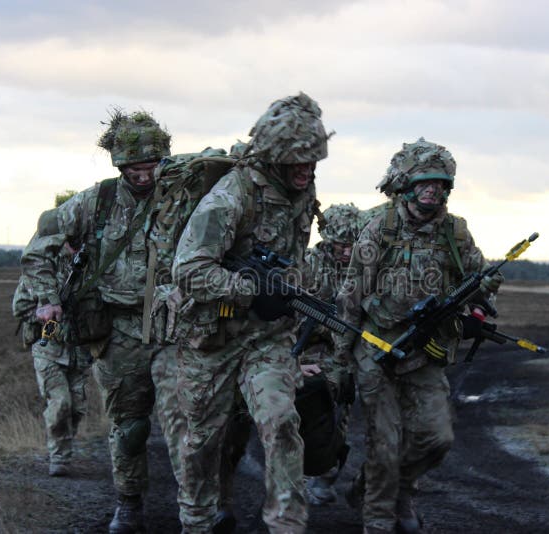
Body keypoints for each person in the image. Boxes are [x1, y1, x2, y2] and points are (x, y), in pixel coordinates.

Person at [171, 92, 330, 534]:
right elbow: (188, 270)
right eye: (297, 161)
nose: (307, 169)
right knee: (202, 441)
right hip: (212, 340)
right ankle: (197, 523)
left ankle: (286, 525)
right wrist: (249, 290)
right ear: (275, 157)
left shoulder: (302, 191)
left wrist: (289, 289)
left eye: (313, 160)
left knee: (281, 423)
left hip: (267, 338)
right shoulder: (230, 196)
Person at [20, 109, 182, 533]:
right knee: (129, 427)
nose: (143, 175)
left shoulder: (186, 196)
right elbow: (39, 247)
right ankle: (129, 503)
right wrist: (48, 300)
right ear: (119, 164)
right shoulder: (98, 201)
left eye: (150, 165)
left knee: (190, 421)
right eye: (134, 167)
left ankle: (200, 506)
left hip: (177, 330)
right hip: (120, 332)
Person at [334, 138, 501, 534]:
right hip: (376, 350)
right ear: (406, 185)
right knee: (385, 443)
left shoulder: (455, 234)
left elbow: (480, 280)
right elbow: (351, 295)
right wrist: (340, 361)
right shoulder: (380, 228)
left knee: (437, 437)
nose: (433, 189)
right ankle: (377, 520)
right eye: (425, 181)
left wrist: (479, 305)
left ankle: (398, 489)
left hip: (425, 353)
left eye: (441, 183)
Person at [13, 210, 93, 478]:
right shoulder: (42, 271)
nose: (75, 247)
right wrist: (43, 311)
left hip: (80, 350)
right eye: (72, 241)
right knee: (60, 403)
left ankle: (64, 449)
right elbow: (20, 306)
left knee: (77, 408)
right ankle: (59, 457)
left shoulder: (92, 267)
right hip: (48, 348)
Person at [298, 203, 363, 505]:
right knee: (311, 413)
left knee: (341, 418)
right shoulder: (306, 264)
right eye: (340, 245)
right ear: (327, 239)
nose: (346, 252)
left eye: (352, 246)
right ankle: (301, 475)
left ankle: (326, 473)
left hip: (346, 356)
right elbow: (288, 311)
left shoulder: (363, 270)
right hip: (308, 352)